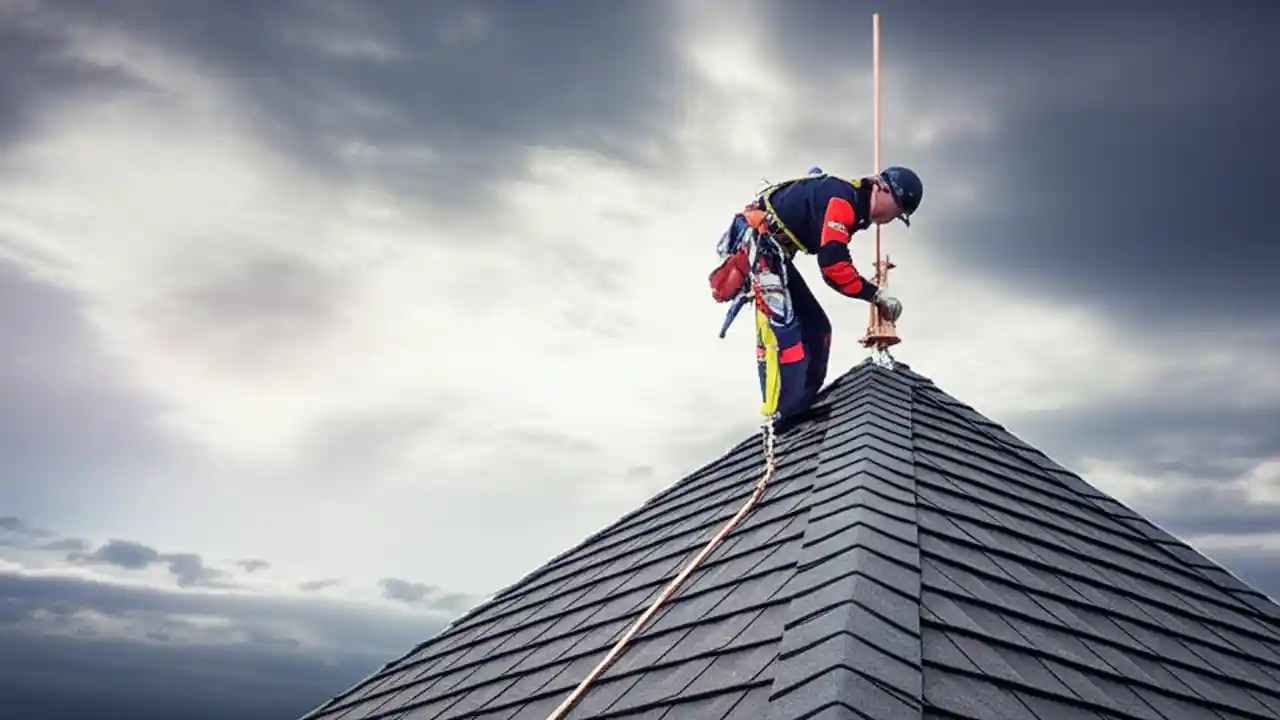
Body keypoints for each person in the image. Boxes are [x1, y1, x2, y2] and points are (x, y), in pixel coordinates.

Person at [708, 165, 922, 430]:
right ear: (884, 190)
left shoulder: (848, 199)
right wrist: (875, 295)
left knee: (817, 329)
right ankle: (779, 417)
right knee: (785, 334)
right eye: (898, 211)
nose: (892, 219)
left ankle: (798, 406)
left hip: (772, 250)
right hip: (761, 248)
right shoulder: (844, 201)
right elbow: (833, 267)